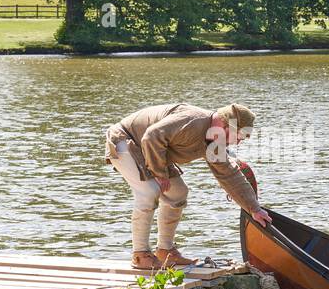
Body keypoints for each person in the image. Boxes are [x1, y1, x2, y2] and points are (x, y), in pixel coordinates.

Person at [105, 102, 272, 269]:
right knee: (149, 192)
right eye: (239, 136)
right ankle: (140, 255)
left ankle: (165, 252)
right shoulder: (192, 121)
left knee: (178, 193)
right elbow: (151, 136)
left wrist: (254, 208)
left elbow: (229, 175)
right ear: (227, 125)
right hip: (125, 140)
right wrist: (159, 173)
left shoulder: (216, 142)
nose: (237, 143)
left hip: (154, 150)